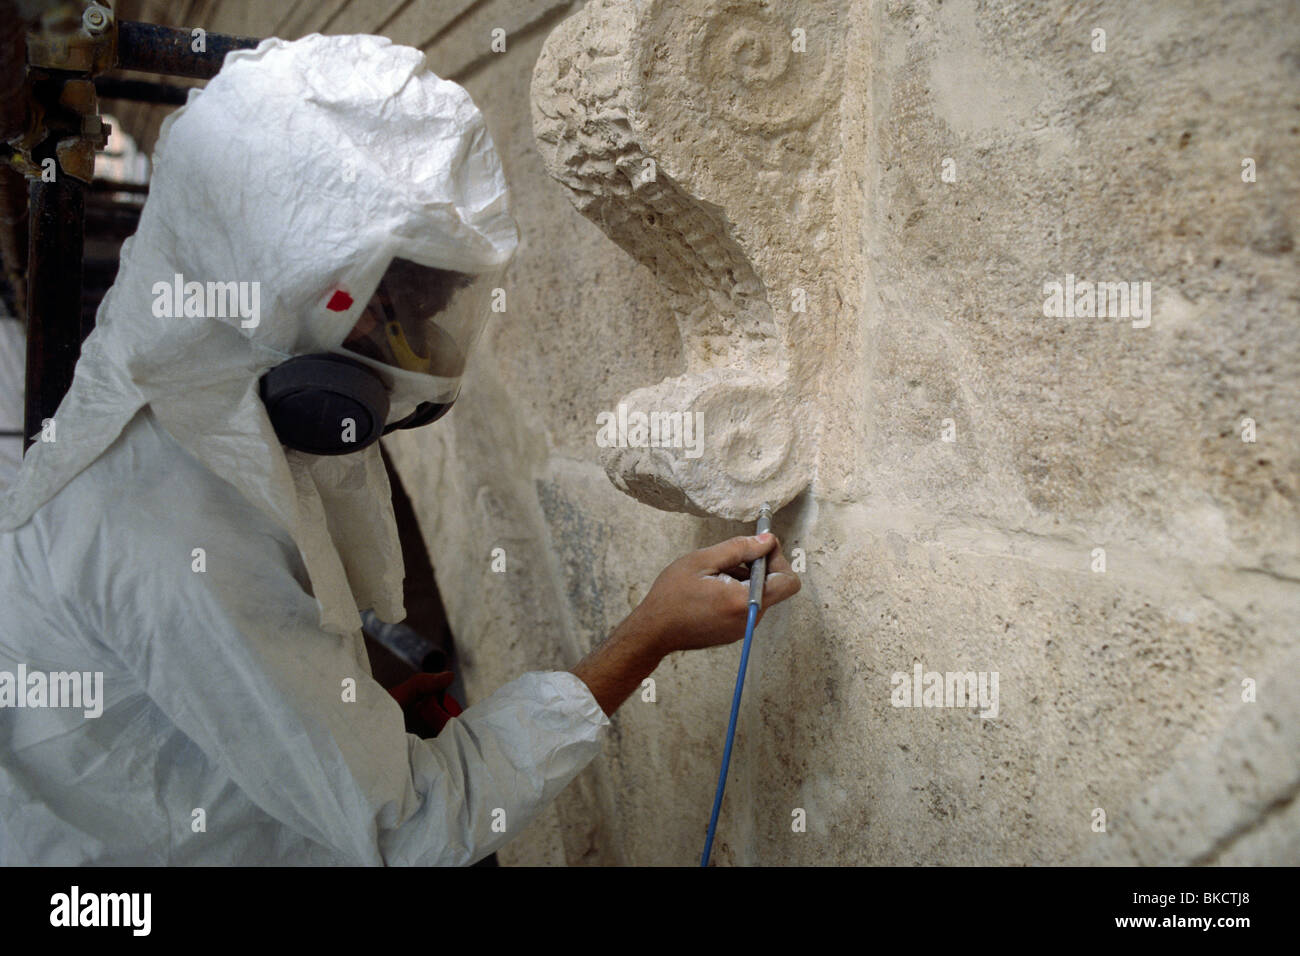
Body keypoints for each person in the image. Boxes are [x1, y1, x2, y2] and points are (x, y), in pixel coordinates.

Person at [0, 33, 799, 865]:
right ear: (275, 286)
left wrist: (352, 710)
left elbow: (222, 688)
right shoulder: (166, 528)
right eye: (392, 317)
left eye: (428, 314)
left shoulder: (209, 411)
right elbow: (414, 826)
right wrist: (649, 636)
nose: (409, 350)